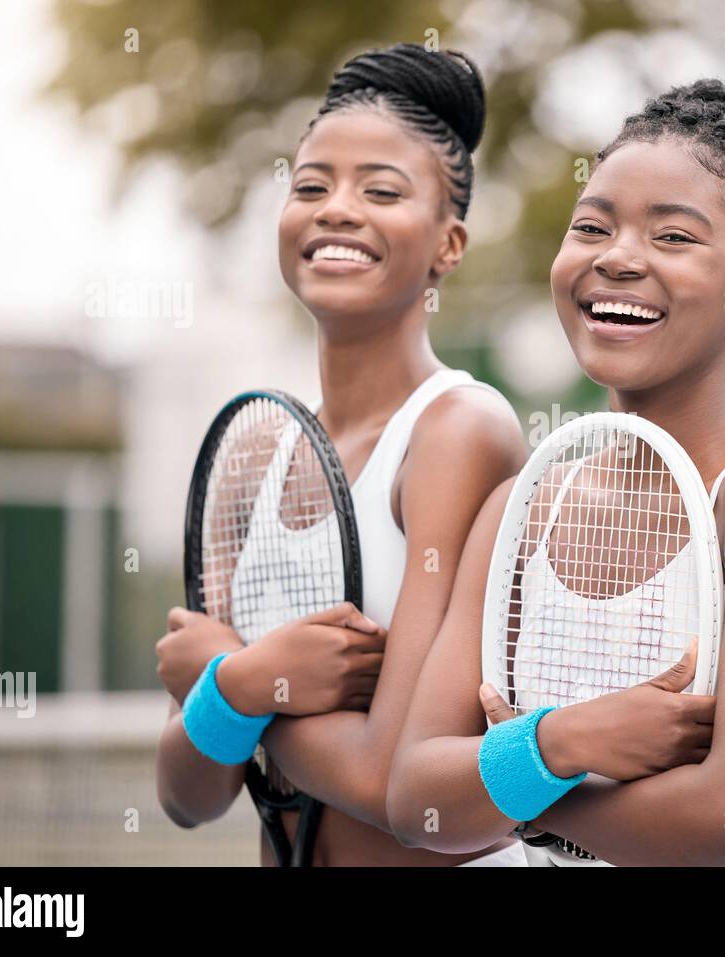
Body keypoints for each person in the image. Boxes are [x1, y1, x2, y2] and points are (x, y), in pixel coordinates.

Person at [386, 78, 725, 866]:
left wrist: (516, 786)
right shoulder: (521, 508)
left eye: (673, 237)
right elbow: (416, 800)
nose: (619, 257)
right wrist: (565, 739)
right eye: (592, 226)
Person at [154, 44, 527, 866]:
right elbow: (189, 794)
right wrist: (248, 682)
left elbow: (403, 786)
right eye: (310, 185)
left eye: (382, 191)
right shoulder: (256, 454)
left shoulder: (460, 431)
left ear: (449, 243)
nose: (336, 209)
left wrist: (233, 682)